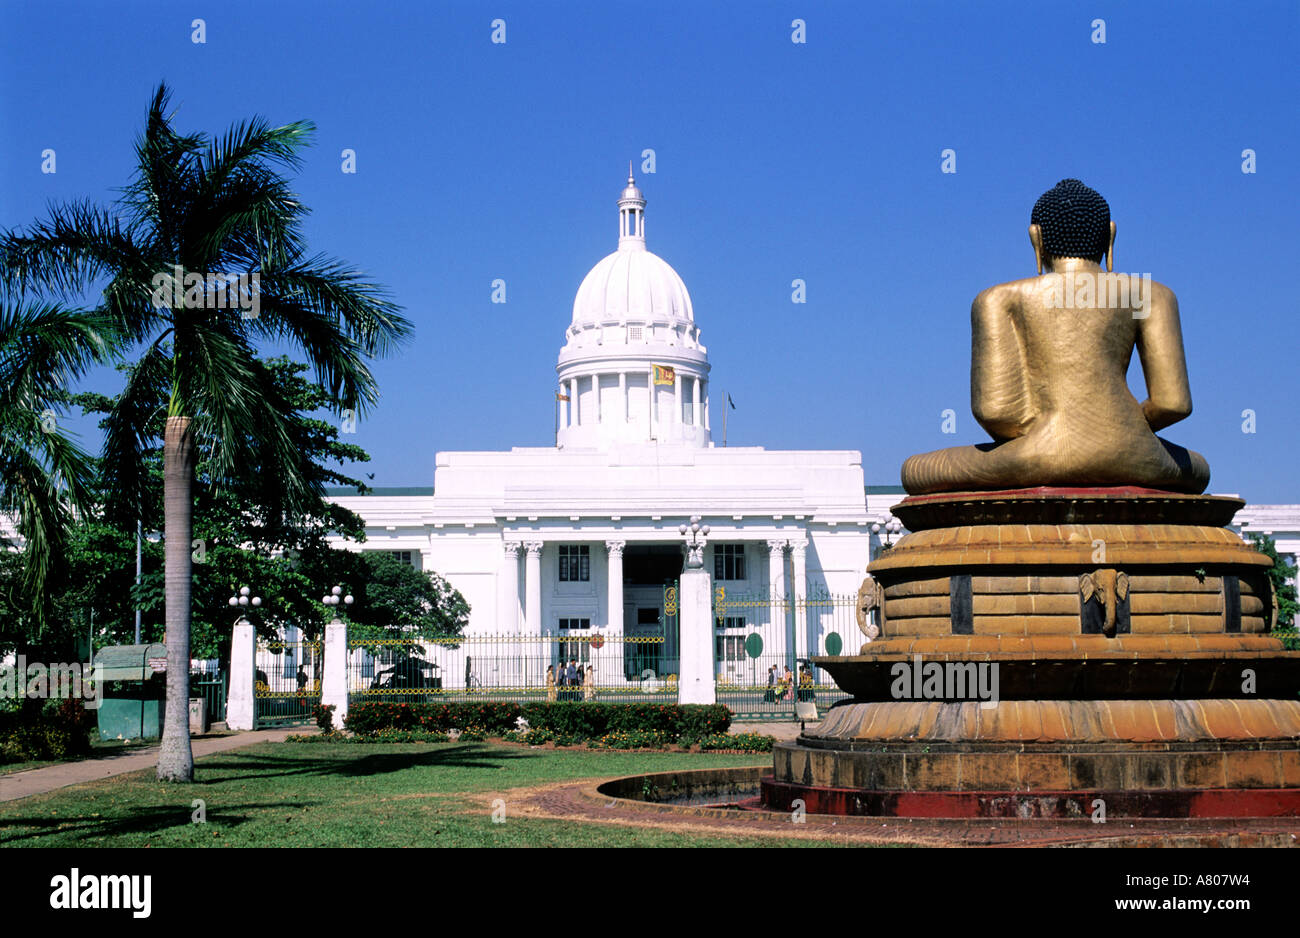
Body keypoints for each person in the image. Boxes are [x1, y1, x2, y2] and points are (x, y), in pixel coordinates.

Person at [900, 178, 1209, 496]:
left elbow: (998, 413)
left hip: (1040, 453)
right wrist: (1122, 426)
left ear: (1036, 238)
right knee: (1198, 467)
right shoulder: (1152, 294)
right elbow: (1174, 404)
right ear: (1110, 235)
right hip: (1137, 455)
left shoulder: (1000, 298)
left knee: (917, 470)